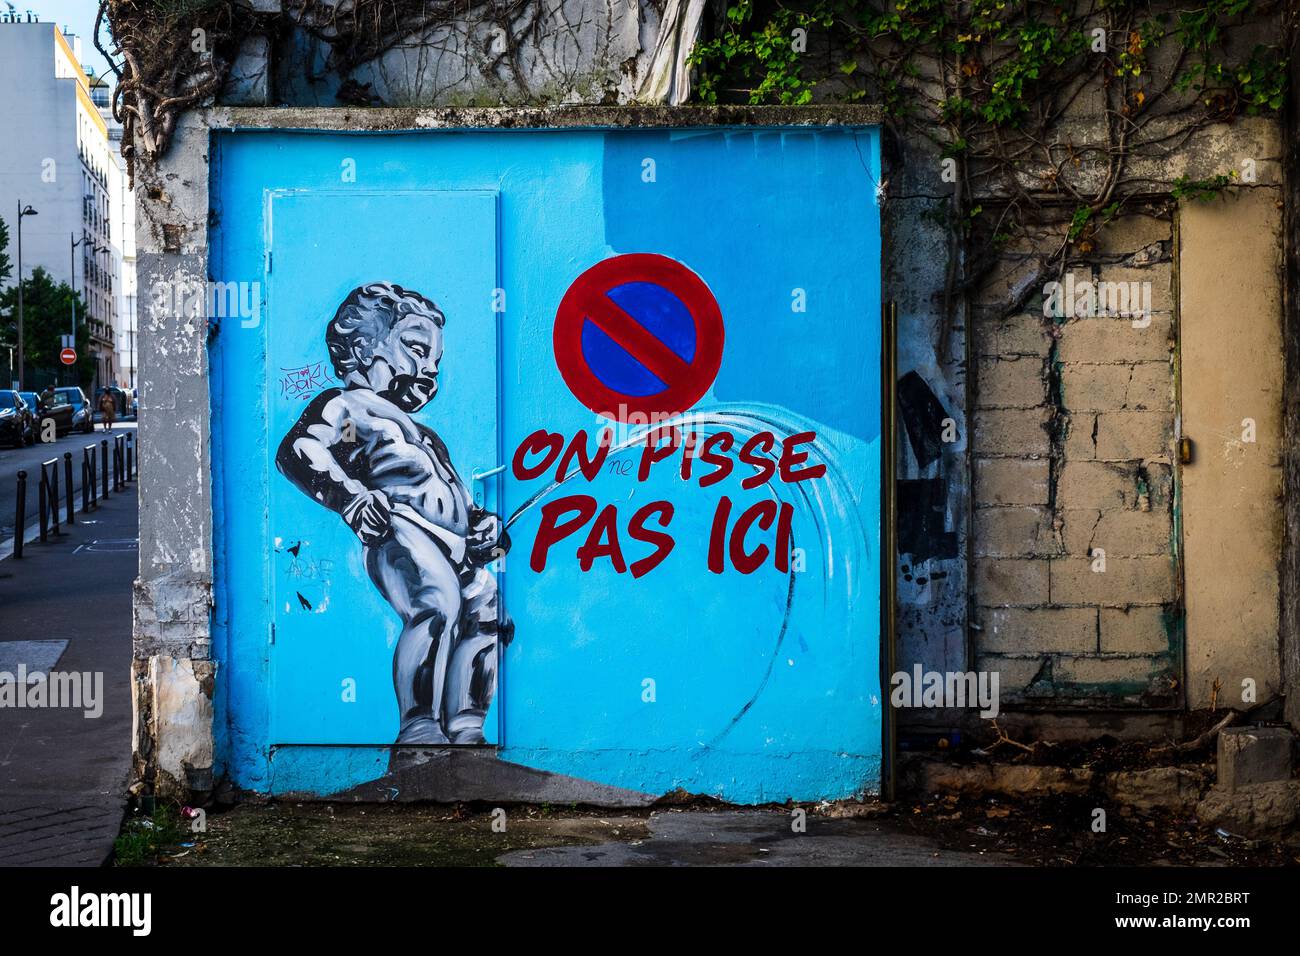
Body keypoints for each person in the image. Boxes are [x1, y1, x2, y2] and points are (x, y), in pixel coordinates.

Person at [276, 282, 511, 745]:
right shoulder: (347, 407)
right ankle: (420, 727)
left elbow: (456, 494)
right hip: (398, 529)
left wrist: (481, 524)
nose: (430, 368)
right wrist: (351, 498)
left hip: (455, 545)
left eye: (436, 360)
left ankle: (465, 725)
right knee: (436, 603)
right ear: (363, 347)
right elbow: (300, 449)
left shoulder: (425, 435)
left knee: (488, 613)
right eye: (417, 350)